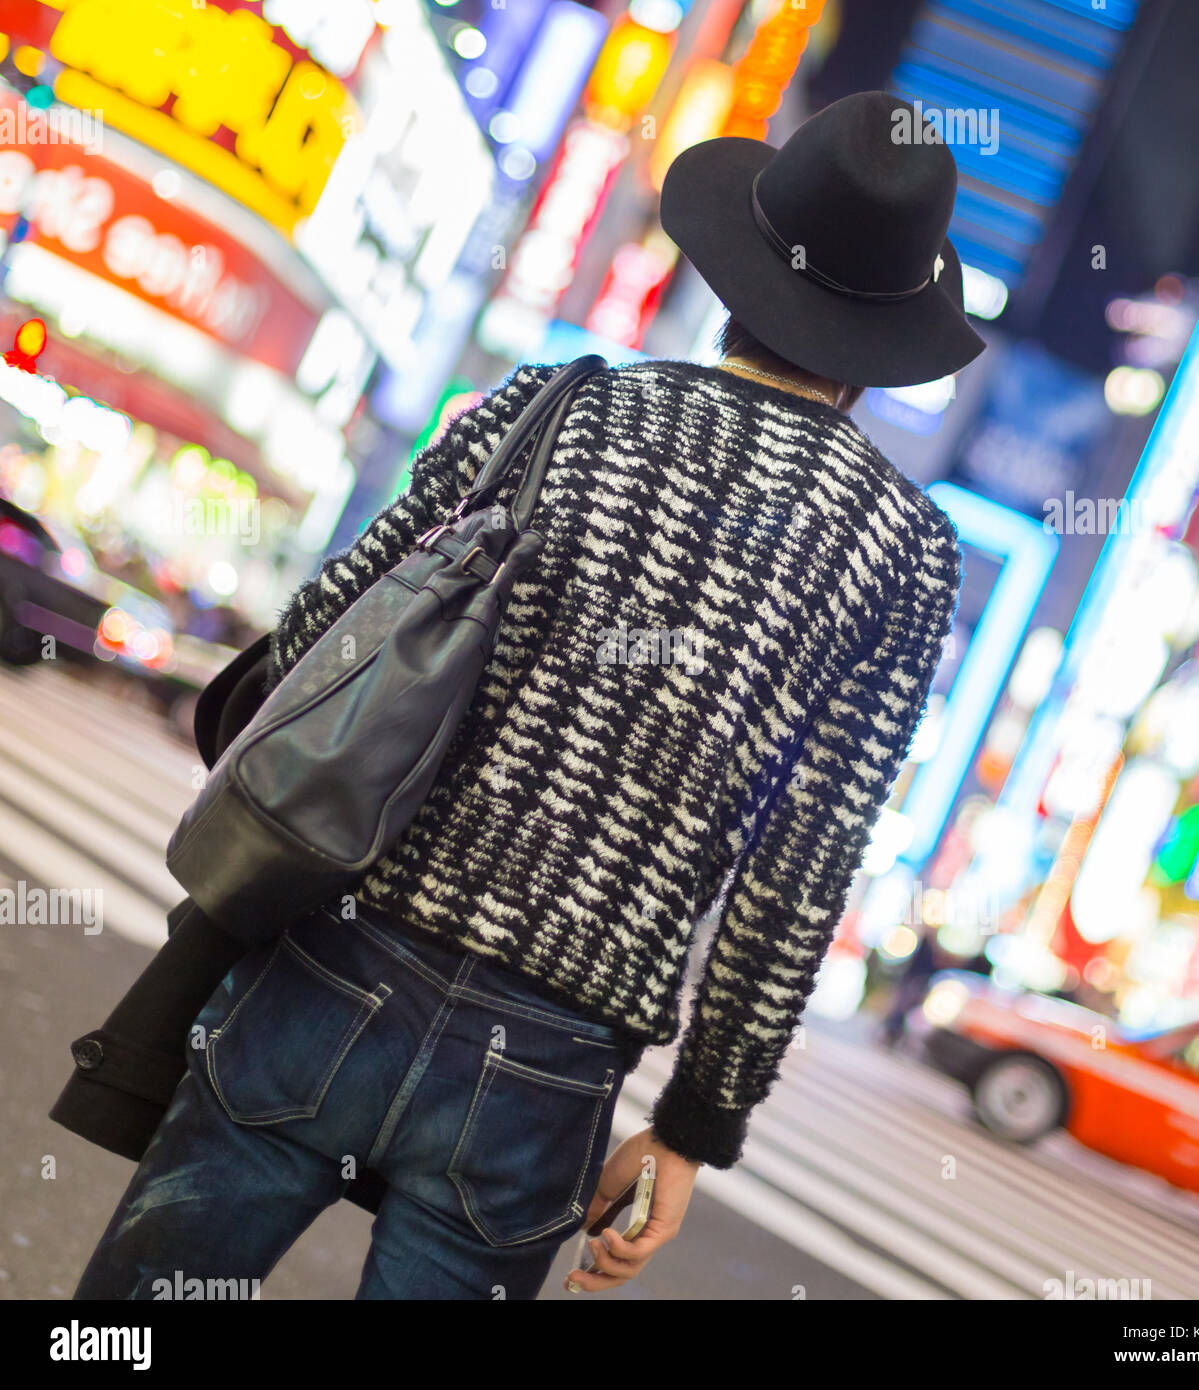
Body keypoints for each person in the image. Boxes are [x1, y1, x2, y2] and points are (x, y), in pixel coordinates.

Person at [73, 91, 983, 1301]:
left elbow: (321, 632)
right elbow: (799, 877)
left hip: (344, 951)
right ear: (890, 336)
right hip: (547, 1069)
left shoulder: (566, 406)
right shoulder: (905, 559)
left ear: (741, 266)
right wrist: (698, 1129)